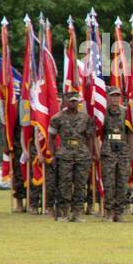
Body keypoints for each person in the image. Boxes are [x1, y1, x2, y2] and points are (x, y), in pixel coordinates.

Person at [47, 91, 96, 221]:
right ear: (66, 101)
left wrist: (90, 154)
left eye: (75, 100)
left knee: (80, 185)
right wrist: (52, 155)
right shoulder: (57, 118)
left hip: (82, 155)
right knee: (64, 184)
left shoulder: (86, 118)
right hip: (64, 155)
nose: (73, 103)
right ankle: (63, 213)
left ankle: (77, 213)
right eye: (71, 100)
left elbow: (90, 137)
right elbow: (51, 138)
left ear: (79, 101)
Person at [100, 86, 133, 222]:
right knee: (109, 183)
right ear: (108, 97)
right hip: (108, 152)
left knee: (122, 183)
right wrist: (98, 151)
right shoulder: (102, 112)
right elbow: (97, 132)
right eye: (113, 96)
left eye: (117, 96)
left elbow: (130, 132)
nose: (115, 98)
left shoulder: (126, 112)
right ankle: (109, 212)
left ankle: (119, 213)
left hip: (123, 152)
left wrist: (130, 151)